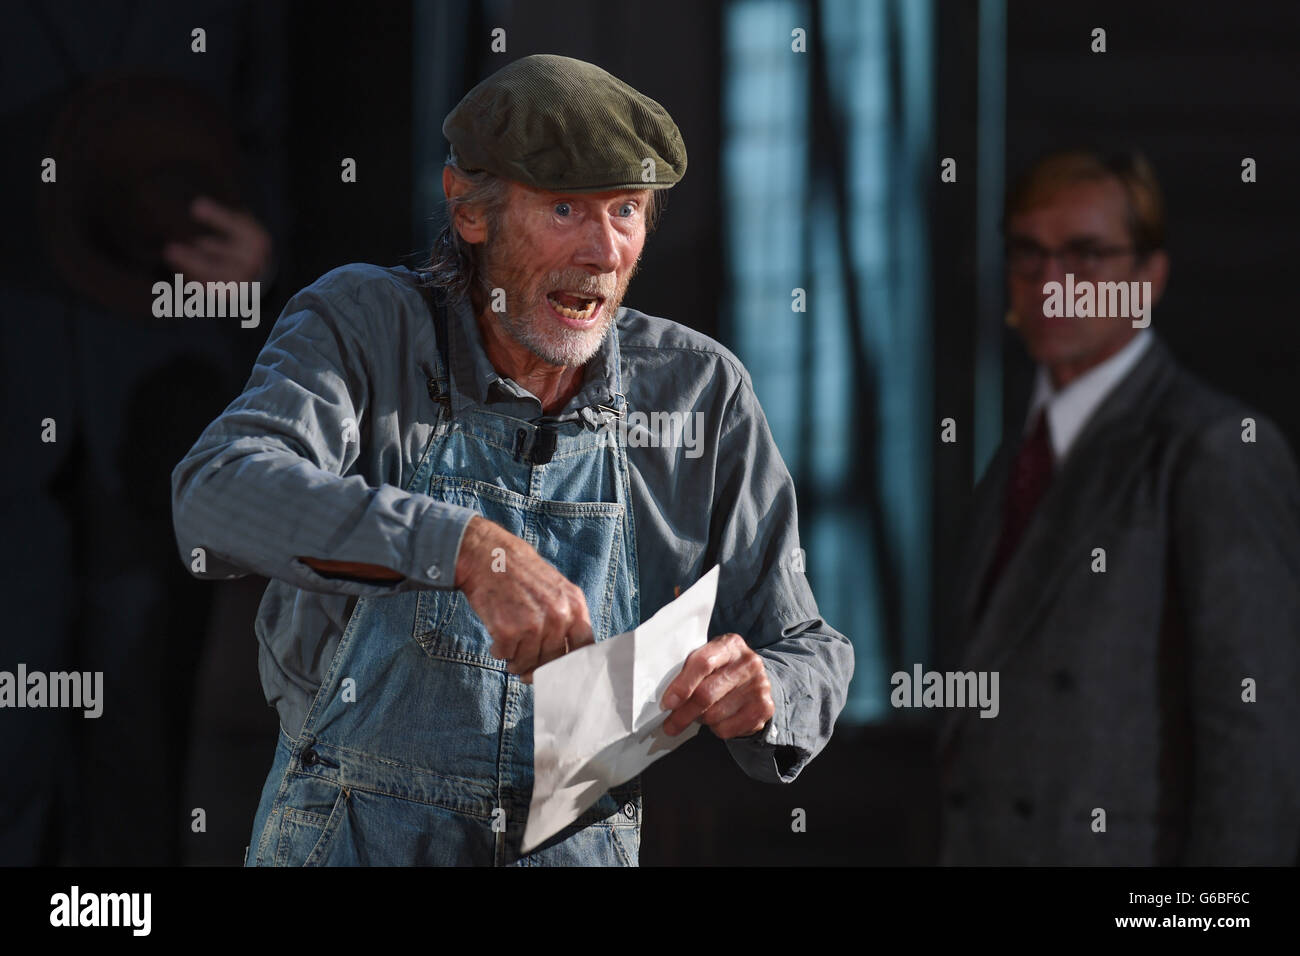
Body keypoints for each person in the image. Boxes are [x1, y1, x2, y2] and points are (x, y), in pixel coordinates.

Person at [171, 53, 854, 866]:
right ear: (469, 209)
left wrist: (770, 689)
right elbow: (216, 494)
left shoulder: (700, 393)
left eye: (627, 210)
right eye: (564, 208)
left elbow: (806, 643)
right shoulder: (363, 325)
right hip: (353, 833)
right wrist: (461, 548)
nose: (603, 250)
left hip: (577, 844)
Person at [937, 149, 1300, 865]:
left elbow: (1255, 744)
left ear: (1149, 277)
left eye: (1085, 255)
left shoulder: (1213, 449)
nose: (1051, 283)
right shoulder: (1014, 455)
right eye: (1029, 254)